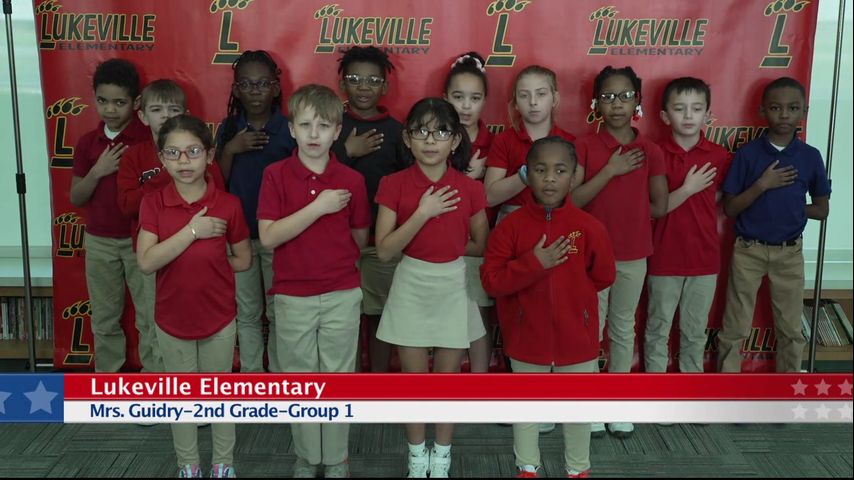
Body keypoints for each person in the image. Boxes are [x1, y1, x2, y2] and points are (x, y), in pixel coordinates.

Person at [481, 136, 615, 478]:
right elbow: (492, 281)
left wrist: (578, 310)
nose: (550, 178)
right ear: (527, 174)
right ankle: (527, 468)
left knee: (578, 413)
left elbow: (602, 276)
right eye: (540, 170)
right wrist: (534, 264)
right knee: (527, 412)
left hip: (578, 342)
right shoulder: (510, 227)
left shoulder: (589, 227)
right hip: (528, 342)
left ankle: (578, 469)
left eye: (560, 170)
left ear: (573, 176)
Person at [257, 84, 371, 479]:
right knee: (299, 381)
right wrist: (318, 207)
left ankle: (336, 459)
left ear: (337, 131)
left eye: (323, 126)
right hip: (292, 294)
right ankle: (307, 458)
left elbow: (359, 237)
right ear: (291, 129)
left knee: (338, 378)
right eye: (304, 125)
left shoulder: (351, 180)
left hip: (341, 291)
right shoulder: (275, 175)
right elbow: (269, 236)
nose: (313, 134)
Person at [374, 98, 488, 478]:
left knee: (446, 381)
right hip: (411, 281)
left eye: (440, 132)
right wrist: (423, 214)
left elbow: (478, 242)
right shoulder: (393, 184)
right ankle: (415, 455)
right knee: (414, 382)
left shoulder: (469, 187)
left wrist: (447, 251)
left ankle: (441, 456)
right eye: (421, 131)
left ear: (455, 141)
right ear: (407, 139)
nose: (430, 140)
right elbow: (386, 250)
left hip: (453, 283)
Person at [137, 114, 252, 478]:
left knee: (219, 395)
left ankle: (223, 465)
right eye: (173, 153)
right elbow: (146, 261)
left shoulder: (229, 204)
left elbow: (244, 258)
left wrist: (213, 261)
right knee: (182, 400)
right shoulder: (153, 204)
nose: (183, 161)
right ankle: (188, 466)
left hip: (219, 317)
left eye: (192, 152)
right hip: (172, 320)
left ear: (210, 155)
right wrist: (192, 231)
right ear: (161, 158)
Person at [571, 66, 668, 438]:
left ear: (637, 101)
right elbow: (573, 201)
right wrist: (610, 171)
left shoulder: (651, 150)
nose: (616, 104)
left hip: (633, 254)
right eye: (608, 97)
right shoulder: (584, 146)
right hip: (589, 255)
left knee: (623, 326)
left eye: (625, 96)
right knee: (589, 329)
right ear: (596, 103)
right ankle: (590, 404)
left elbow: (659, 206)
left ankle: (618, 402)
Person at [717, 77, 830, 373]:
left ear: (803, 111)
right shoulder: (748, 155)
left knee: (791, 327)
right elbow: (730, 208)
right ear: (762, 110)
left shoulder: (810, 157)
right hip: (748, 250)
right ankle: (726, 389)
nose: (784, 115)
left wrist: (789, 208)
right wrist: (763, 185)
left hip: (789, 254)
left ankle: (788, 389)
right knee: (735, 324)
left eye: (792, 108)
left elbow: (821, 210)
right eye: (776, 108)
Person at [116, 79, 226, 374]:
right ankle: (158, 386)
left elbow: (221, 201)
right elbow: (127, 206)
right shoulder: (135, 156)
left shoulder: (200, 154)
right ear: (142, 115)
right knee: (151, 320)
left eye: (172, 109)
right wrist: (165, 178)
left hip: (203, 255)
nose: (165, 115)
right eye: (156, 109)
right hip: (154, 251)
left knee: (204, 324)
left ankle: (200, 392)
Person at [216, 50, 297, 372]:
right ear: (236, 90)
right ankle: (252, 375)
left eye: (262, 83)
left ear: (276, 88)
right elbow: (217, 181)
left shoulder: (289, 128)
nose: (254, 91)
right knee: (247, 312)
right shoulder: (229, 128)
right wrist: (231, 149)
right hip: (239, 237)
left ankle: (278, 376)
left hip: (278, 238)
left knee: (279, 310)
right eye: (246, 84)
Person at [644, 77, 730, 374]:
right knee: (658, 328)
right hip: (663, 257)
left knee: (695, 332)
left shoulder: (719, 156)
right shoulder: (654, 153)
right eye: (680, 109)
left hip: (704, 260)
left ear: (708, 114)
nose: (689, 115)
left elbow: (721, 200)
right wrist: (688, 188)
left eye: (697, 108)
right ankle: (655, 395)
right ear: (666, 116)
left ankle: (689, 396)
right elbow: (652, 208)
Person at [69, 58, 150, 373]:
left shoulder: (146, 139)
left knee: (148, 315)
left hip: (141, 240)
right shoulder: (88, 143)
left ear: (136, 102)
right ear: (94, 98)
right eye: (103, 101)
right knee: (104, 316)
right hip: (100, 241)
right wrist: (98, 171)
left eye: (119, 102)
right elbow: (77, 196)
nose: (110, 109)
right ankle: (109, 379)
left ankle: (154, 377)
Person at [331, 45, 404, 372]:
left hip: (378, 243)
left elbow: (407, 185)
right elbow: (315, 178)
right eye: (355, 79)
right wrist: (347, 152)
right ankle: (349, 387)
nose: (363, 86)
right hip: (334, 243)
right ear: (343, 84)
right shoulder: (331, 127)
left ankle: (376, 385)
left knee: (379, 315)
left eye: (372, 80)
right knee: (341, 320)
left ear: (385, 86)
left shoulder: (398, 132)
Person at [443, 51, 494, 373]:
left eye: (474, 98)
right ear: (444, 97)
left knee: (479, 313)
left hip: (477, 244)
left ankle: (480, 383)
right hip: (437, 245)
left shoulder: (494, 144)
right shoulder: (433, 138)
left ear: (485, 101)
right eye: (458, 97)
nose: (465, 106)